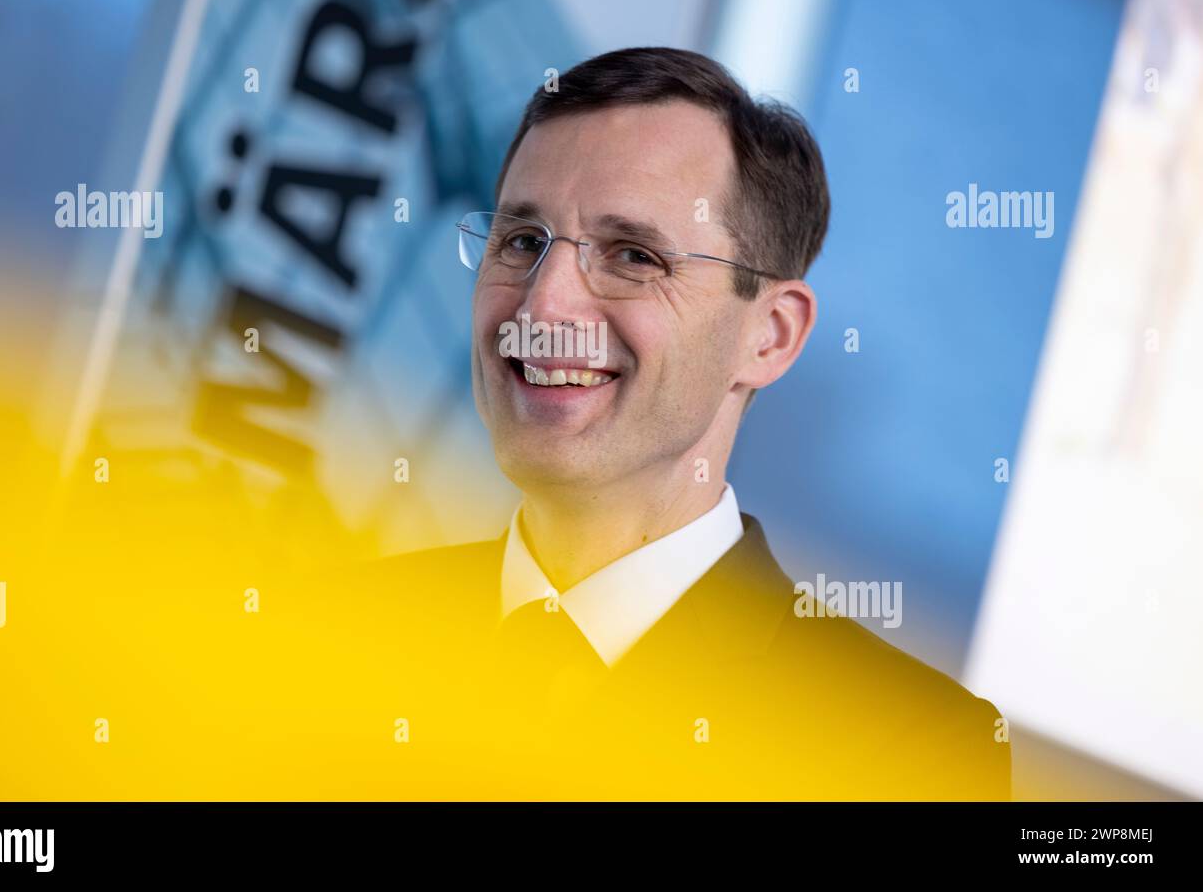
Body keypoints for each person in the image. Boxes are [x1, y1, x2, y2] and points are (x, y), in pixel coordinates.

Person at [333, 47, 1010, 800]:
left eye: (633, 255)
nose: (541, 307)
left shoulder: (901, 755)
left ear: (771, 335)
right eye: (523, 242)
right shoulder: (323, 640)